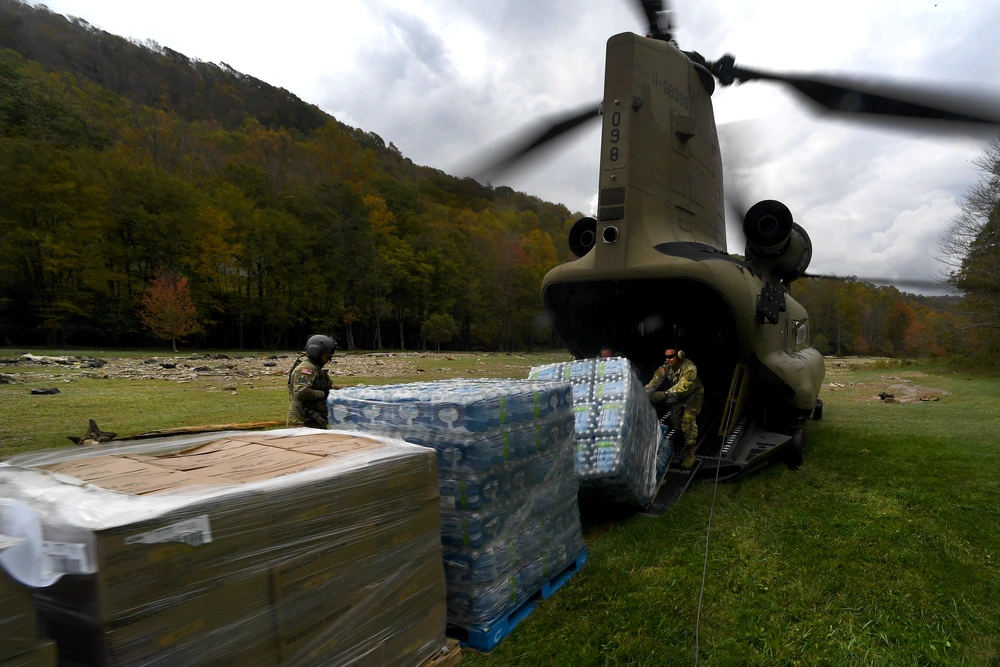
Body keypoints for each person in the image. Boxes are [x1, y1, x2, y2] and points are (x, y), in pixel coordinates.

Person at [645, 344, 704, 469]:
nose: (668, 359)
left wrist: (665, 394)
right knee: (676, 421)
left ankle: (690, 453)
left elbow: (683, 386)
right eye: (666, 357)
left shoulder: (689, 368)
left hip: (693, 395)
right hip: (678, 397)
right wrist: (642, 394)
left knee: (687, 421)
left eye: (671, 356)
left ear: (679, 355)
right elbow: (653, 383)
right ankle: (683, 440)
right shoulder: (666, 368)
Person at [287, 334, 338, 428]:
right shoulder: (307, 368)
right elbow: (302, 392)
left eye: (331, 352)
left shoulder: (315, 367)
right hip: (303, 422)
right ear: (316, 351)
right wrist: (325, 394)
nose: (330, 355)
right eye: (327, 352)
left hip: (313, 419)